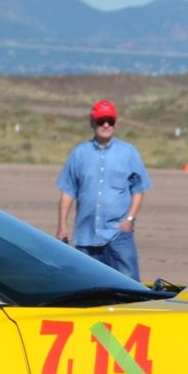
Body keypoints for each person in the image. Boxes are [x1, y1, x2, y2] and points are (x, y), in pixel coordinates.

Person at [56, 99, 150, 280]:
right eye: (101, 121)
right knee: (87, 287)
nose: (106, 125)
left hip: (118, 234)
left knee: (129, 287)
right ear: (92, 123)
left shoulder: (128, 152)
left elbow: (139, 189)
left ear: (115, 123)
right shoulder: (79, 154)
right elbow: (68, 191)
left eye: (110, 121)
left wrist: (129, 220)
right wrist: (62, 226)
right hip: (86, 235)